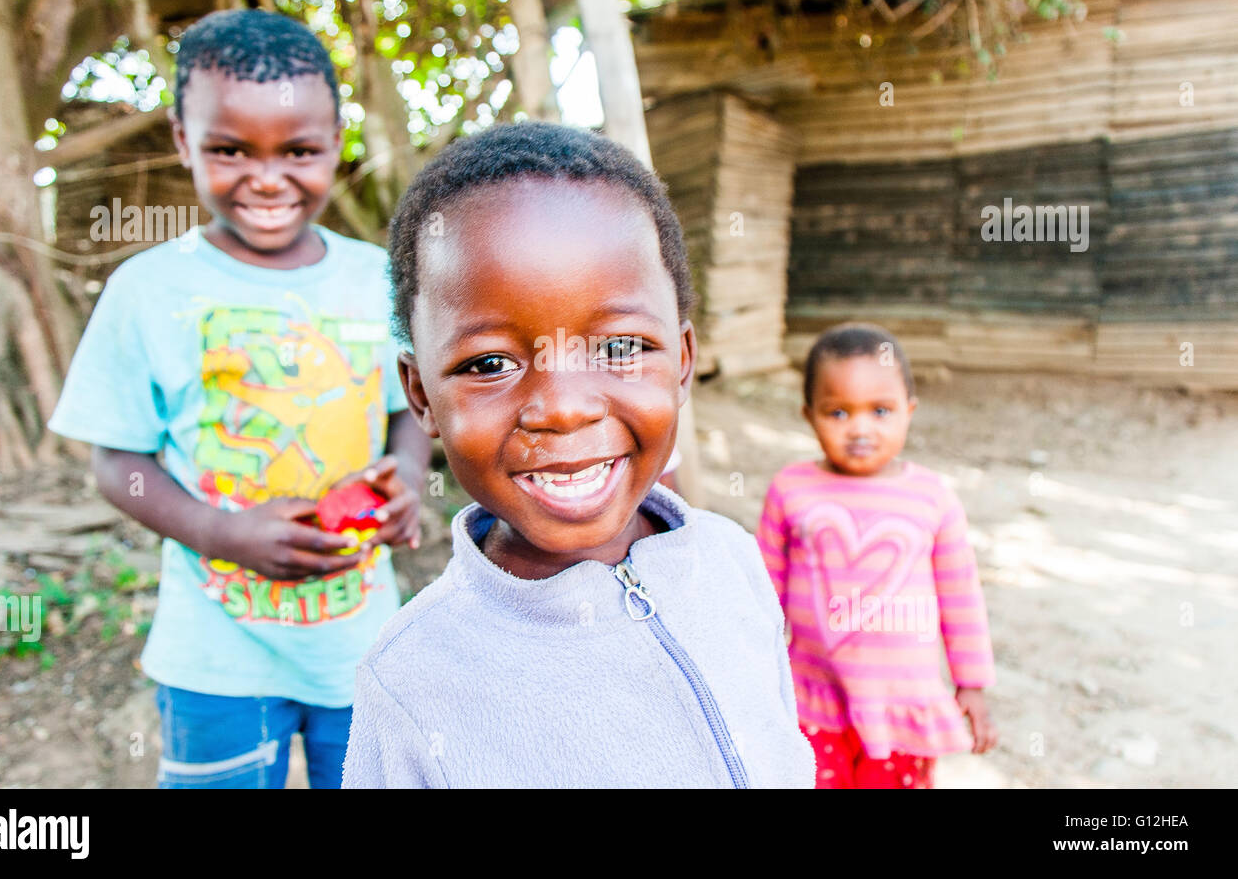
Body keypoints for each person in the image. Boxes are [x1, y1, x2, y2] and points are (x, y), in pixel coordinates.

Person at [340, 122, 815, 788]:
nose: (563, 407)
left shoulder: (732, 560)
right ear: (420, 394)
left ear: (681, 359)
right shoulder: (413, 679)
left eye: (619, 347)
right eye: (490, 362)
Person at [47, 10, 431, 789]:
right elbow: (114, 459)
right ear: (186, 144)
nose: (266, 177)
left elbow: (406, 405)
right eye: (229, 149)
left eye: (299, 150)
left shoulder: (376, 277)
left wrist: (409, 476)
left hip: (360, 640)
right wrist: (220, 531)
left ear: (335, 143)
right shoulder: (147, 290)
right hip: (213, 649)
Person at [756, 323, 998, 788]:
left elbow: (961, 596)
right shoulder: (791, 489)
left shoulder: (932, 497)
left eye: (881, 410)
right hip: (813, 699)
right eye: (839, 412)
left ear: (909, 411)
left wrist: (972, 683)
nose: (860, 428)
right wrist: (756, 675)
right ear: (809, 415)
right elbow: (764, 593)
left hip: (903, 704)